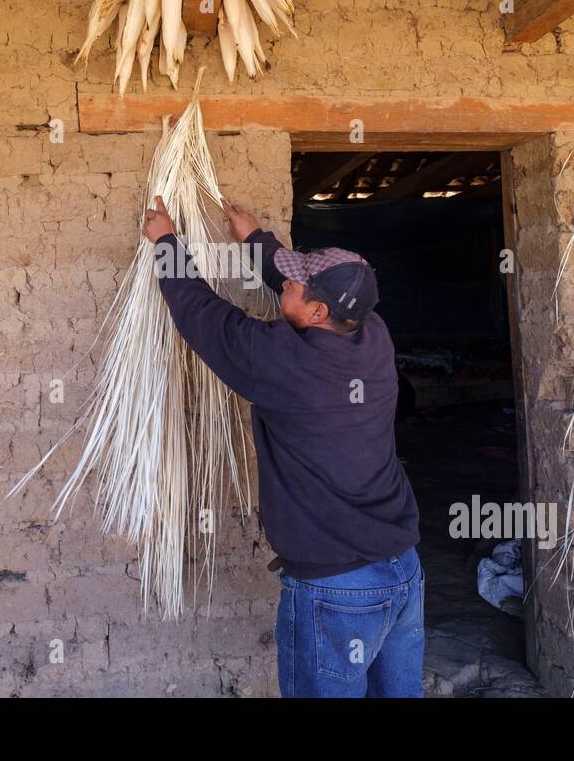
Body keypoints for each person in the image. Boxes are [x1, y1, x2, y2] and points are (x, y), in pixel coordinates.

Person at [142, 194, 425, 698]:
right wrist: (256, 240)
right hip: (401, 569)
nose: (285, 283)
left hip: (338, 589)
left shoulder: (283, 363)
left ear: (318, 312)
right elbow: (296, 291)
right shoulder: (372, 334)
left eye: (295, 283)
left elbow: (200, 315)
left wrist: (166, 243)